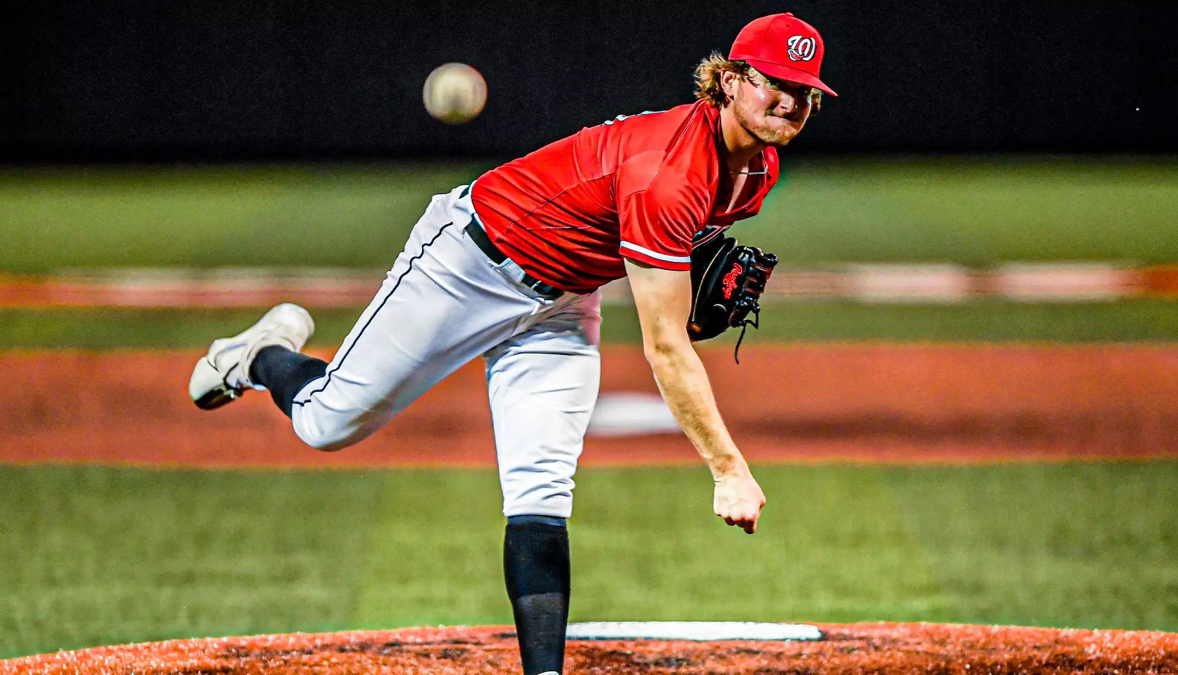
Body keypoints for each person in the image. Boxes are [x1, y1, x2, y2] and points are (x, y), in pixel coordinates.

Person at [188, 13, 835, 675]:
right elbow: (665, 347)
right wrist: (727, 468)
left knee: (542, 490)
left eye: (804, 90)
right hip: (468, 266)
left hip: (563, 302)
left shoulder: (758, 169)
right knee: (326, 424)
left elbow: (668, 276)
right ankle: (261, 355)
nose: (790, 101)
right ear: (729, 81)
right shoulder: (666, 172)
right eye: (774, 82)